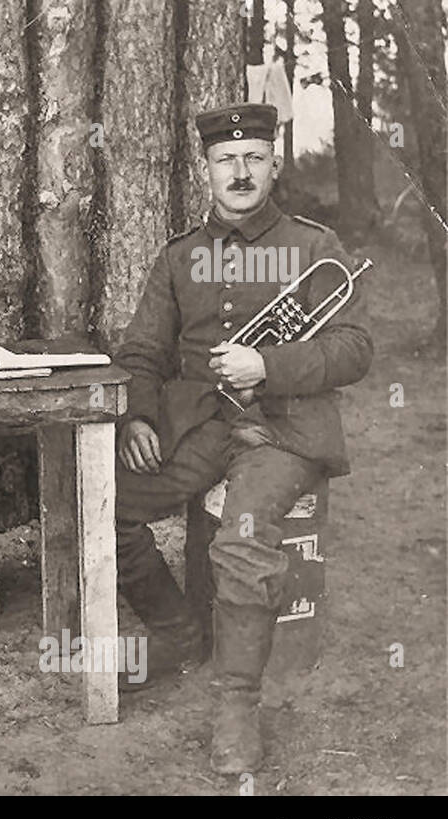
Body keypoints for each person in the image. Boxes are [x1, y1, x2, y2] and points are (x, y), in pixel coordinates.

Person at [114, 103, 373, 773]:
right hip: (202, 423)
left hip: (282, 432)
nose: (240, 171)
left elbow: (355, 349)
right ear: (207, 169)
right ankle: (177, 635)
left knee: (243, 536)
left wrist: (271, 367)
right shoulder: (180, 256)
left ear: (274, 165)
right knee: (105, 509)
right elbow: (142, 349)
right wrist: (139, 416)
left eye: (254, 158)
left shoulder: (313, 246)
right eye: (226, 160)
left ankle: (236, 707)